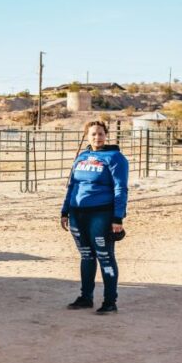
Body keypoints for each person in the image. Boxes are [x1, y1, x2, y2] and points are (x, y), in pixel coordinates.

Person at [61, 120, 129, 315]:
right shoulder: (81, 157)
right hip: (77, 213)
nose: (97, 137)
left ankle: (110, 301)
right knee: (86, 255)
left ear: (106, 135)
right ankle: (86, 297)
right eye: (93, 134)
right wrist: (64, 211)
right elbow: (72, 185)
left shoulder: (115, 157)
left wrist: (118, 218)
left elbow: (121, 188)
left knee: (105, 255)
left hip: (101, 214)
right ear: (87, 135)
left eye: (100, 133)